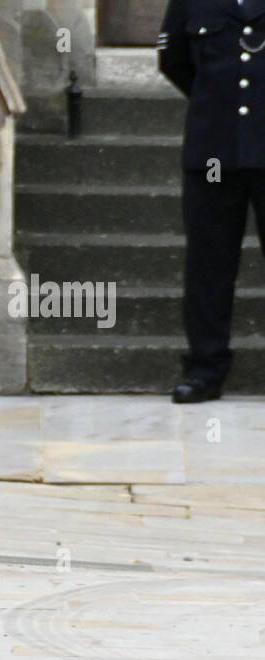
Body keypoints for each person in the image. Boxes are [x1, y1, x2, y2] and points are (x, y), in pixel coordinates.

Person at [158, 0, 265, 403]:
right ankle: (205, 370)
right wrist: (216, 101)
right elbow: (174, 61)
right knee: (209, 267)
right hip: (214, 151)